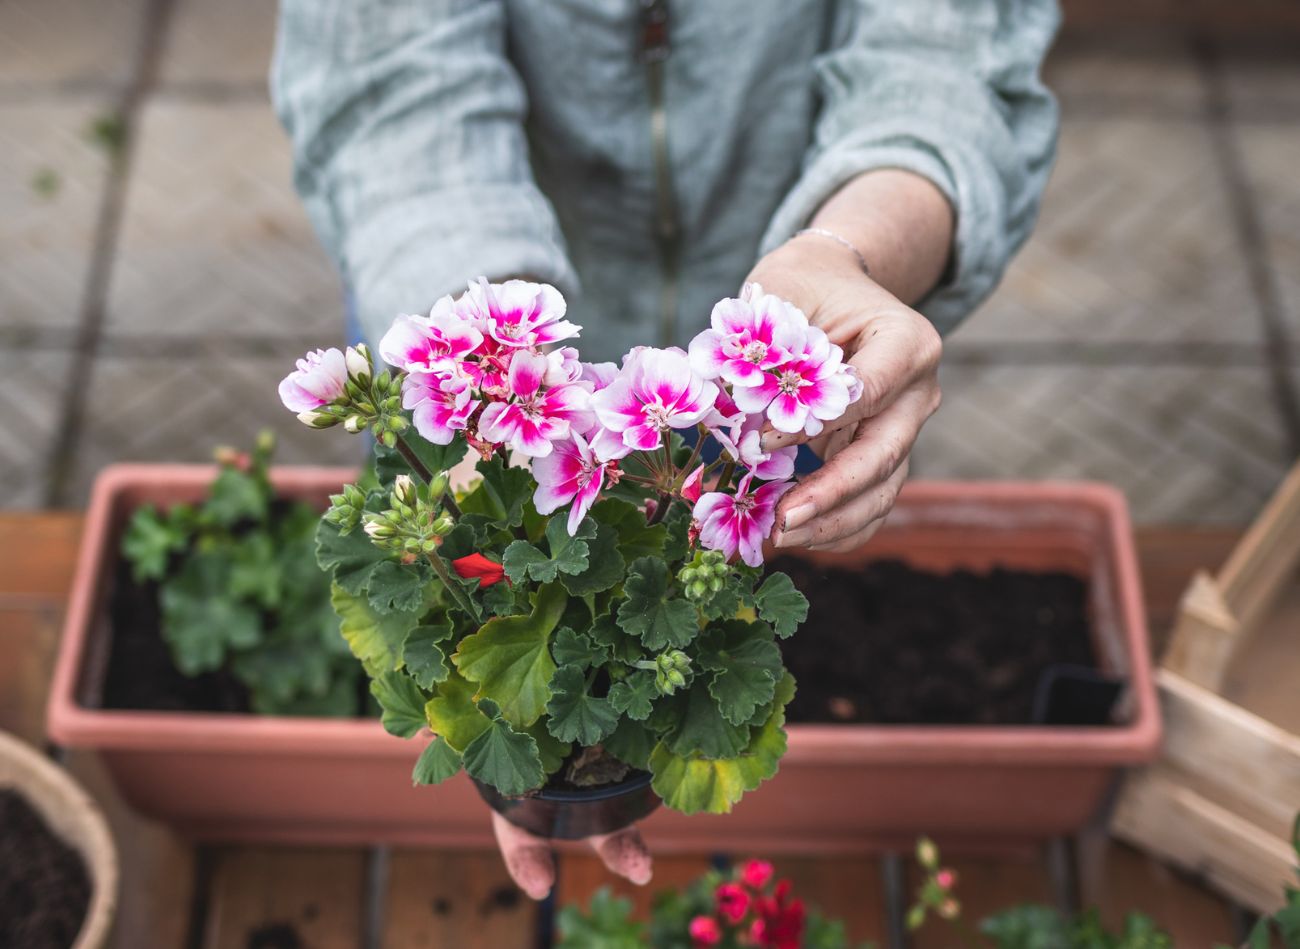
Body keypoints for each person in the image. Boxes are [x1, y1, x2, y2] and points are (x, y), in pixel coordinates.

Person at [273, 0, 1059, 899]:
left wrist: (852, 253)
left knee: (774, 552)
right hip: (493, 325)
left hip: (793, 325)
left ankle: (727, 863)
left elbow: (944, 56)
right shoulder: (488, 389)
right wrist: (484, 363)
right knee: (506, 560)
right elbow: (391, 82)